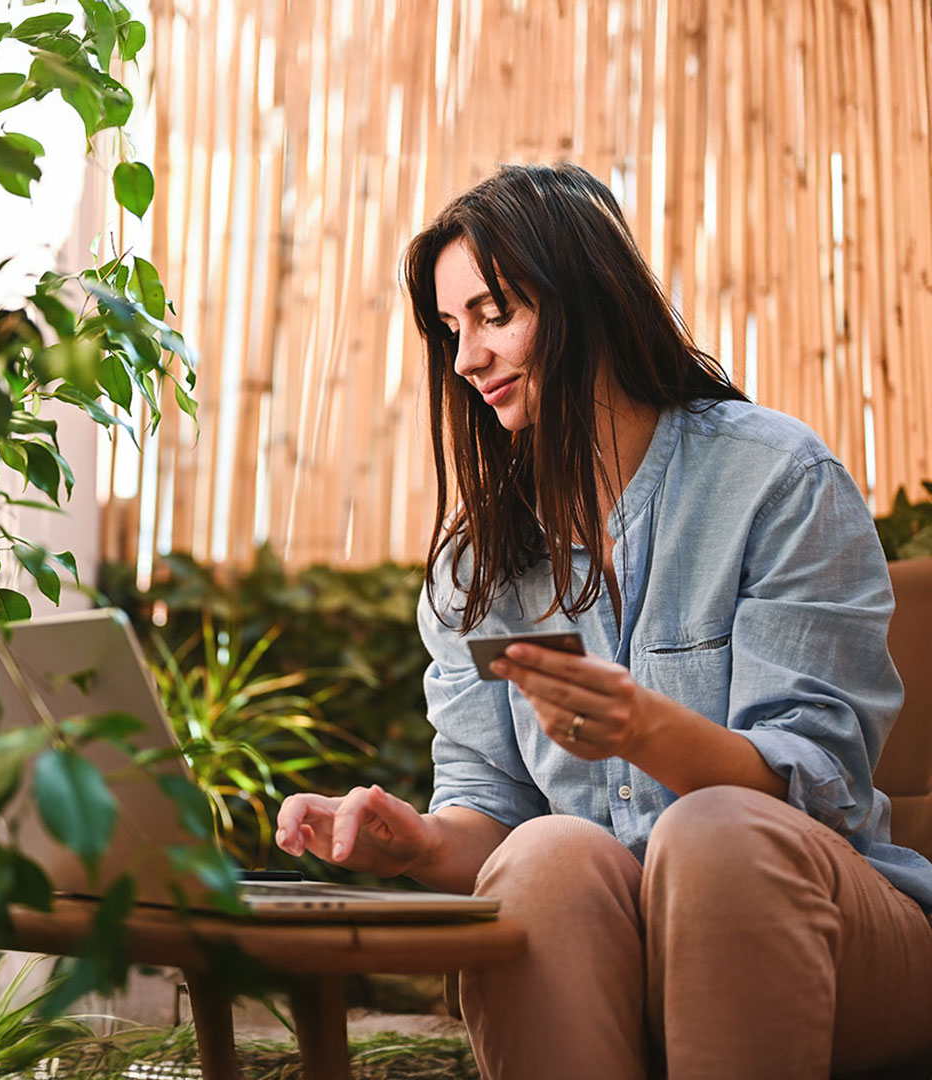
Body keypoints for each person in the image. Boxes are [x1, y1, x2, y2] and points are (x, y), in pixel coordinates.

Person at [275, 163, 932, 1079]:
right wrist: (419, 841)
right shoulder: (478, 569)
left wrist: (644, 728)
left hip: (839, 938)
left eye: (494, 313)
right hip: (620, 951)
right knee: (545, 854)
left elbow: (812, 788)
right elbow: (490, 816)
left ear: (587, 299)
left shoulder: (775, 479)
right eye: (450, 327)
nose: (465, 358)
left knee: (718, 834)